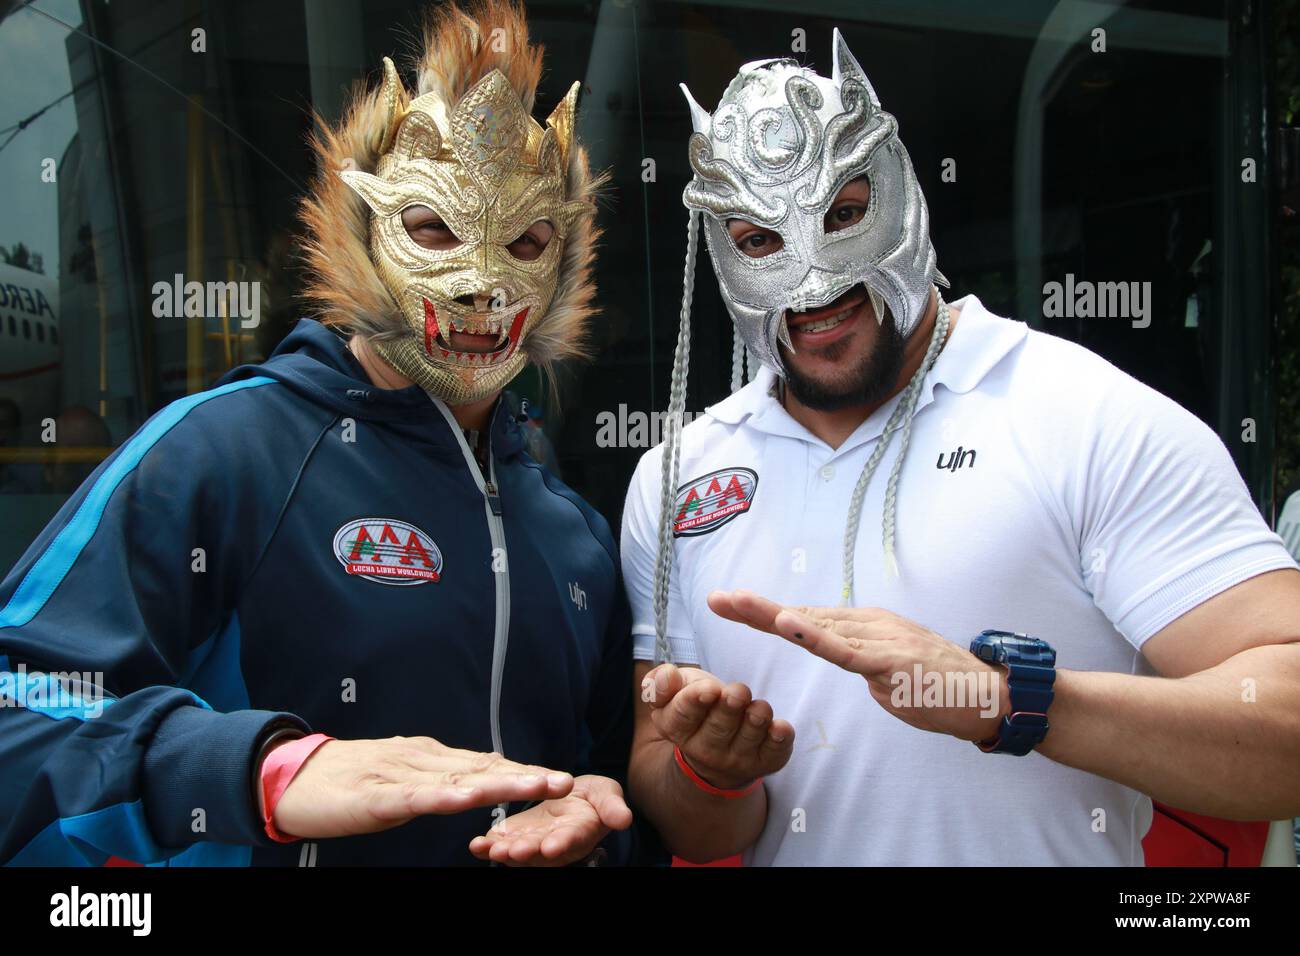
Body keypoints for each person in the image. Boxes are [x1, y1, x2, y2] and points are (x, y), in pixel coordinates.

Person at [620, 29, 1300, 865]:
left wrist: (1006, 701)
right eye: (759, 238)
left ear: (903, 193)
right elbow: (687, 811)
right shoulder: (677, 478)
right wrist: (713, 772)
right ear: (723, 251)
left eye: (844, 213)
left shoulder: (1078, 415)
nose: (815, 278)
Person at [0, 0, 637, 867]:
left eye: (524, 240)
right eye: (434, 229)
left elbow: (597, 778)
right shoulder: (222, 453)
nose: (482, 284)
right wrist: (257, 772)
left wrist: (601, 831)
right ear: (365, 230)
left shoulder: (574, 530)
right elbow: (19, 710)